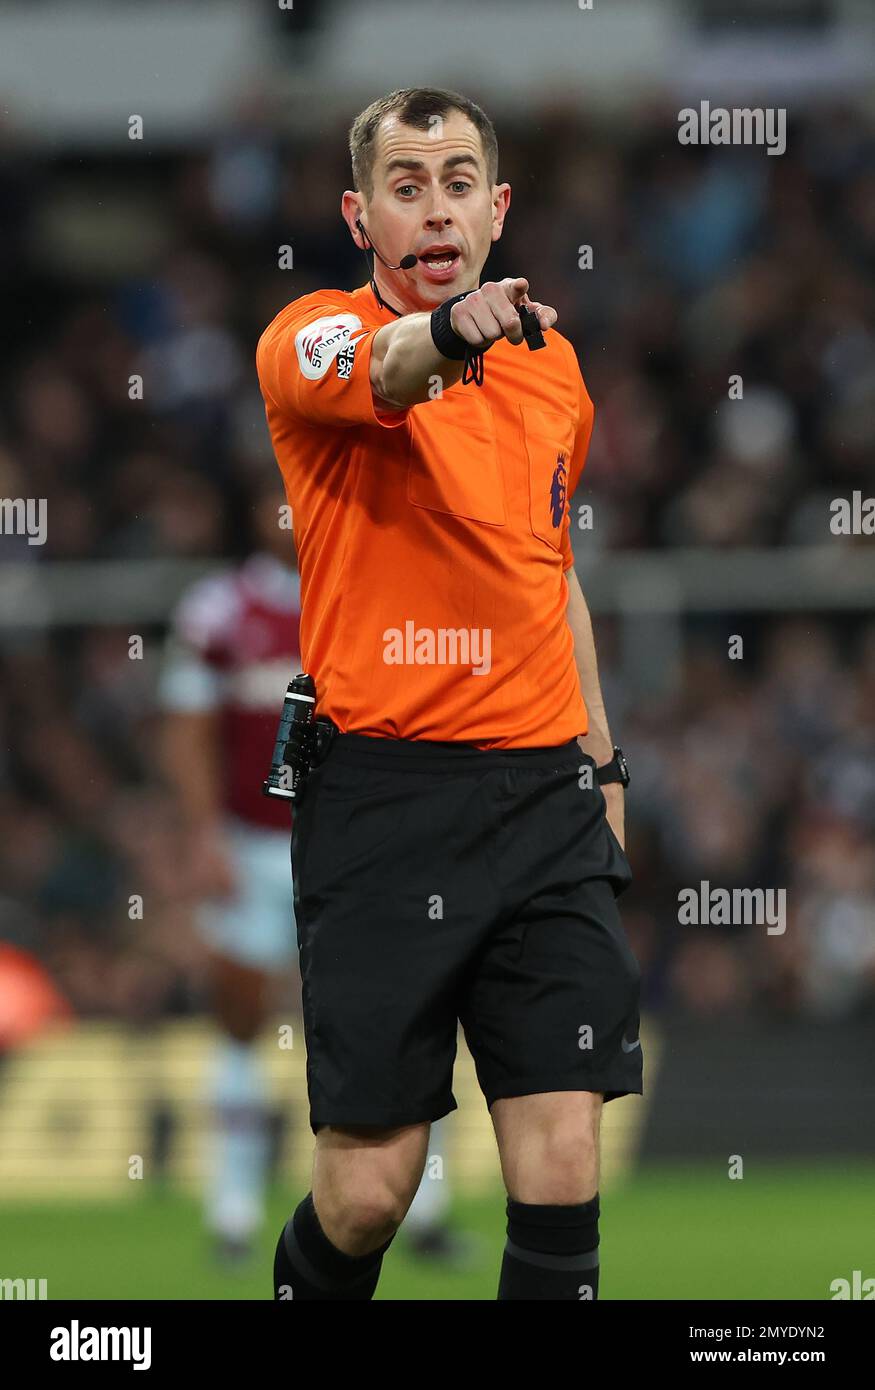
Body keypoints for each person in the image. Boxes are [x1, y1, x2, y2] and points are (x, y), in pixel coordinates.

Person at [257, 86, 642, 1301]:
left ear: (498, 207)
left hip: (542, 795)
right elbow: (388, 363)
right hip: (381, 796)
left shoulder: (556, 371)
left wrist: (603, 758)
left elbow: (552, 570)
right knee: (368, 1194)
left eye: (459, 180)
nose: (436, 206)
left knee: (562, 1154)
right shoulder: (308, 339)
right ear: (359, 215)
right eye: (407, 185)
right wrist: (457, 333)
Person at [159, 484, 301, 1262]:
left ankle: (422, 1209)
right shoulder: (217, 608)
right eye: (274, 500)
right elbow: (187, 730)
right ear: (254, 512)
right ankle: (235, 1208)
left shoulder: (363, 587)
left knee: (383, 1017)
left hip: (344, 849)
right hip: (248, 845)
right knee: (240, 1017)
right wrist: (201, 833)